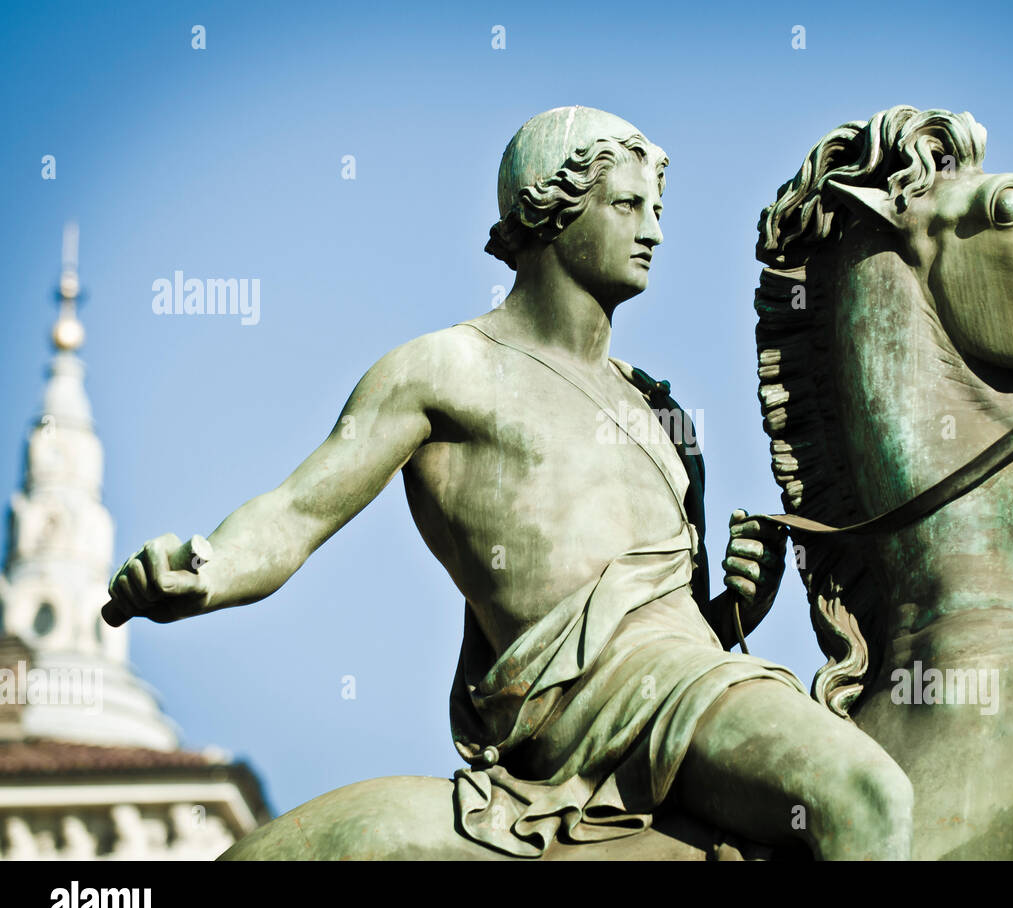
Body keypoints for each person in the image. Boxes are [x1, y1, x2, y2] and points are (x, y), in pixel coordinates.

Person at [101, 106, 912, 860]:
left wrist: (739, 606)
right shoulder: (445, 369)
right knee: (864, 792)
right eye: (628, 206)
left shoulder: (663, 412)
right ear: (550, 208)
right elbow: (295, 509)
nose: (655, 231)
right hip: (584, 705)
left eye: (658, 209)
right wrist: (203, 570)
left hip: (684, 684)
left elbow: (675, 614)